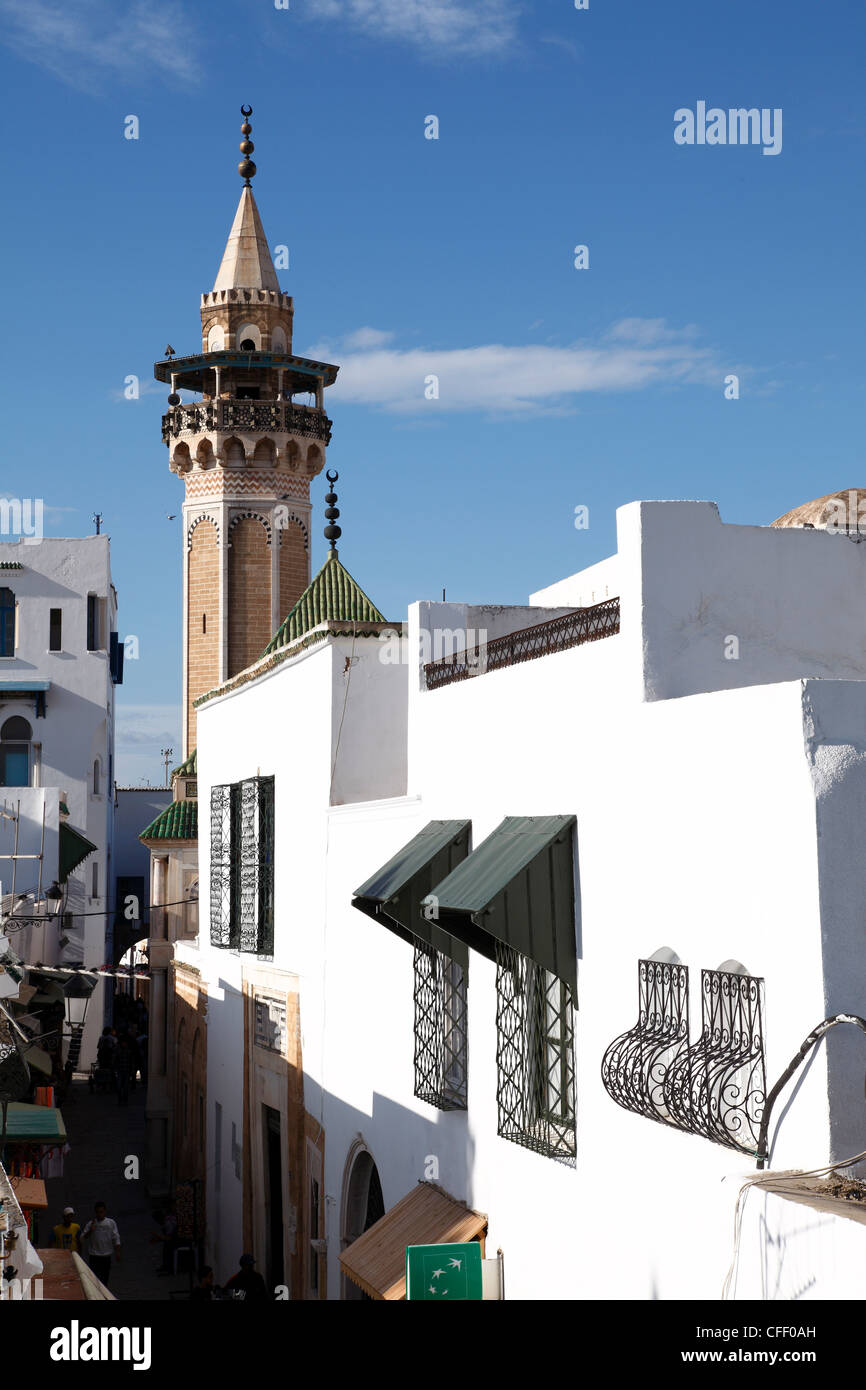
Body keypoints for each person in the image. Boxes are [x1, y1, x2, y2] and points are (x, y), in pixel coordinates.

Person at [81, 1202, 121, 1287]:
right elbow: (82, 1238)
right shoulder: (90, 1224)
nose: (100, 1214)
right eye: (98, 1212)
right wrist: (91, 1230)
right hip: (94, 1257)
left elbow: (116, 1237)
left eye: (101, 1212)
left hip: (106, 1257)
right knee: (94, 1280)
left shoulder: (111, 1223)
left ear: (105, 1212)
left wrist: (118, 1252)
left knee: (104, 1280)